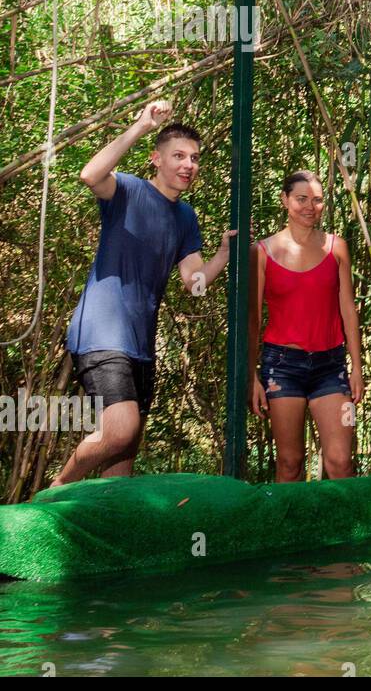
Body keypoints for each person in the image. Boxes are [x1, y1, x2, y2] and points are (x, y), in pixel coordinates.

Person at [52, 100, 235, 486]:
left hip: (141, 344)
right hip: (101, 333)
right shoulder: (129, 190)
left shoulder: (185, 217)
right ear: (156, 159)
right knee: (119, 430)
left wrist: (223, 254)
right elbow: (90, 174)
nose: (189, 165)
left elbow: (194, 283)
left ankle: (108, 538)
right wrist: (140, 126)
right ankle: (54, 491)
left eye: (195, 158)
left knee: (122, 460)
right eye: (179, 156)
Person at [249, 170, 364, 482]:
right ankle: (284, 531)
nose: (310, 206)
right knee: (289, 462)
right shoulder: (262, 251)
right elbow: (253, 320)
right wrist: (251, 376)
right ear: (285, 200)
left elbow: (348, 310)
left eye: (317, 200)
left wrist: (356, 367)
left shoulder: (336, 247)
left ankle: (348, 531)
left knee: (340, 462)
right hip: (283, 365)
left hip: (331, 365)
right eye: (301, 199)